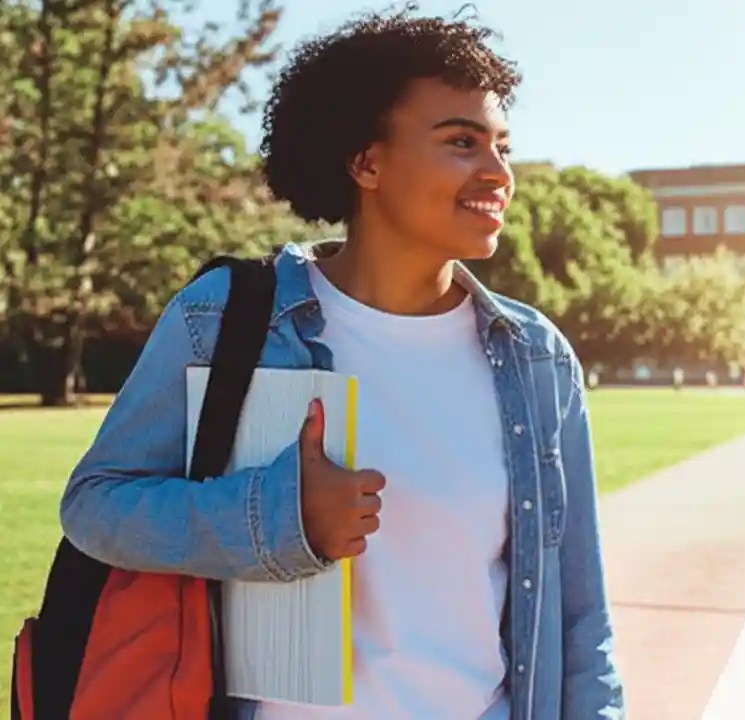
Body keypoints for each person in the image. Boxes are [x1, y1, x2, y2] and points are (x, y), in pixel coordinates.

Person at [58, 7, 624, 719]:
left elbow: (581, 615)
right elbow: (95, 505)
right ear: (367, 162)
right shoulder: (228, 320)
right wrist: (276, 517)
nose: (499, 172)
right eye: (462, 141)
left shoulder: (536, 358)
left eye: (502, 146)